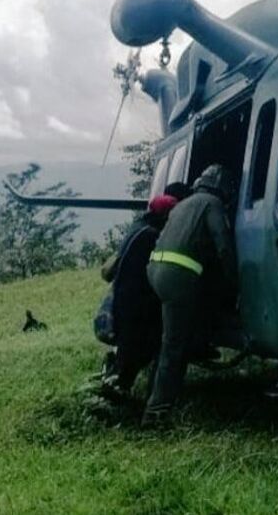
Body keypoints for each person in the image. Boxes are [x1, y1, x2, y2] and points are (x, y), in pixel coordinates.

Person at [143, 164, 237, 425]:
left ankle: (150, 396)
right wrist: (234, 283)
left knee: (168, 341)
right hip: (176, 279)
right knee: (174, 346)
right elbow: (223, 247)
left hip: (155, 272)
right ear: (222, 188)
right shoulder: (212, 204)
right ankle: (156, 413)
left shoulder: (183, 204)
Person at [96, 187, 184, 402]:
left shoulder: (138, 228)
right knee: (143, 345)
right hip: (137, 300)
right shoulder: (151, 236)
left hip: (126, 296)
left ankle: (117, 381)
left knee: (131, 346)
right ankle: (122, 389)